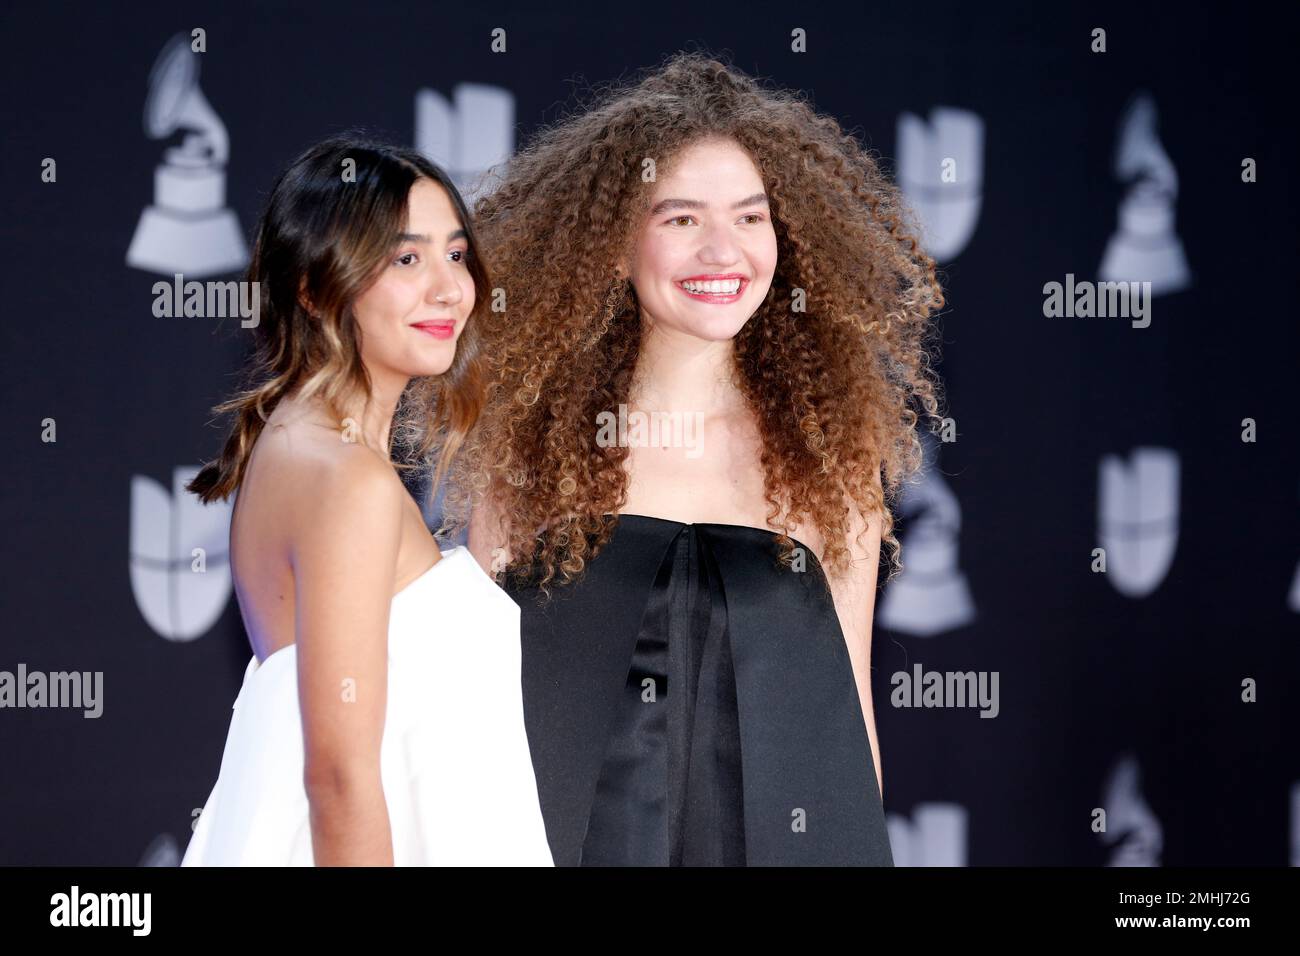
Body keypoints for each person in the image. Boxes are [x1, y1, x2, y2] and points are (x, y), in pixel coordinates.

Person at [445, 54, 945, 866]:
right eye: (681, 219)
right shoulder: (533, 452)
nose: (724, 251)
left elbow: (845, 720)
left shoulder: (827, 463)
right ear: (614, 246)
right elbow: (475, 701)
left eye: (751, 218)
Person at [180, 135, 552, 866]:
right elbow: (340, 777)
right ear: (318, 287)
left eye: (455, 254)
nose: (449, 288)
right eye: (407, 259)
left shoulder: (297, 446)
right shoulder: (347, 479)